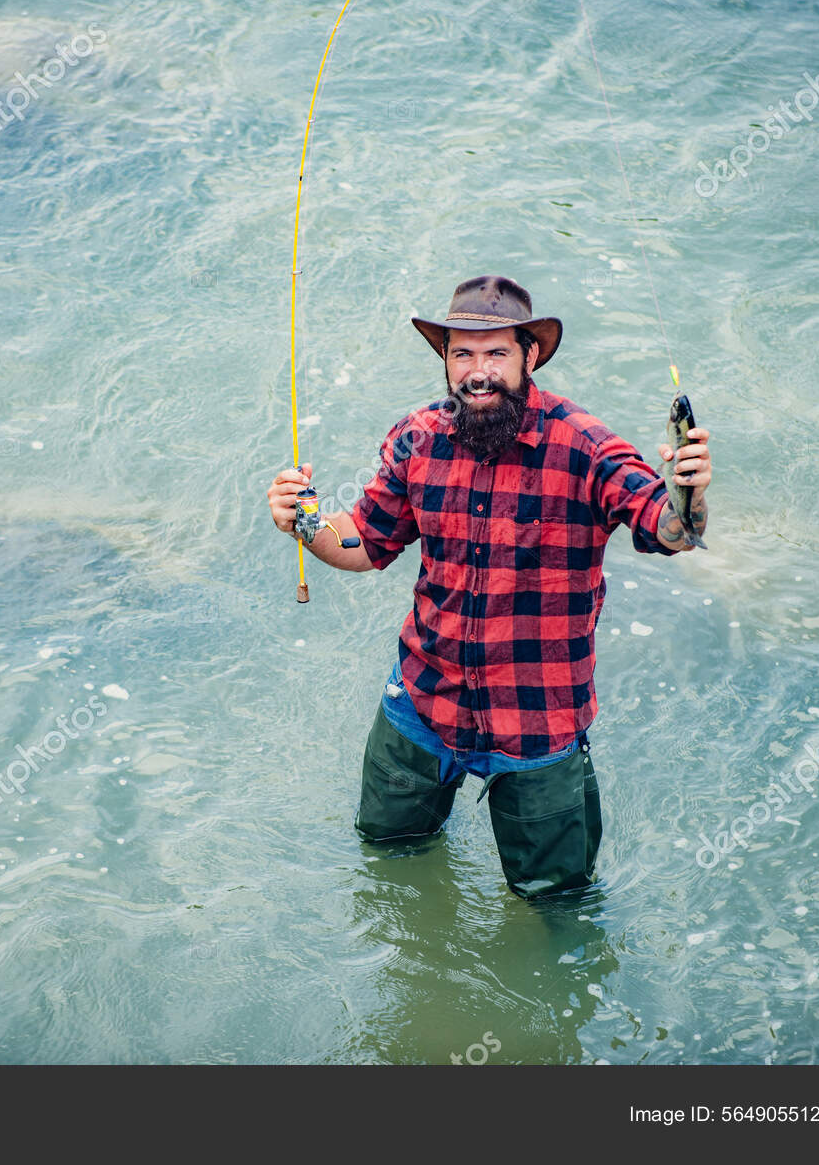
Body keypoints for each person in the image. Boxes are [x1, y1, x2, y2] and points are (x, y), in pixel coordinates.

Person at [266, 274, 712, 899]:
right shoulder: (418, 437)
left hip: (537, 725)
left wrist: (686, 493)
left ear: (531, 356)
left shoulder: (585, 445)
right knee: (388, 861)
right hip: (422, 704)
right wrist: (304, 519)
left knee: (557, 906)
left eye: (497, 353)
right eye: (462, 354)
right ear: (445, 361)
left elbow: (667, 528)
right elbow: (363, 543)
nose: (478, 372)